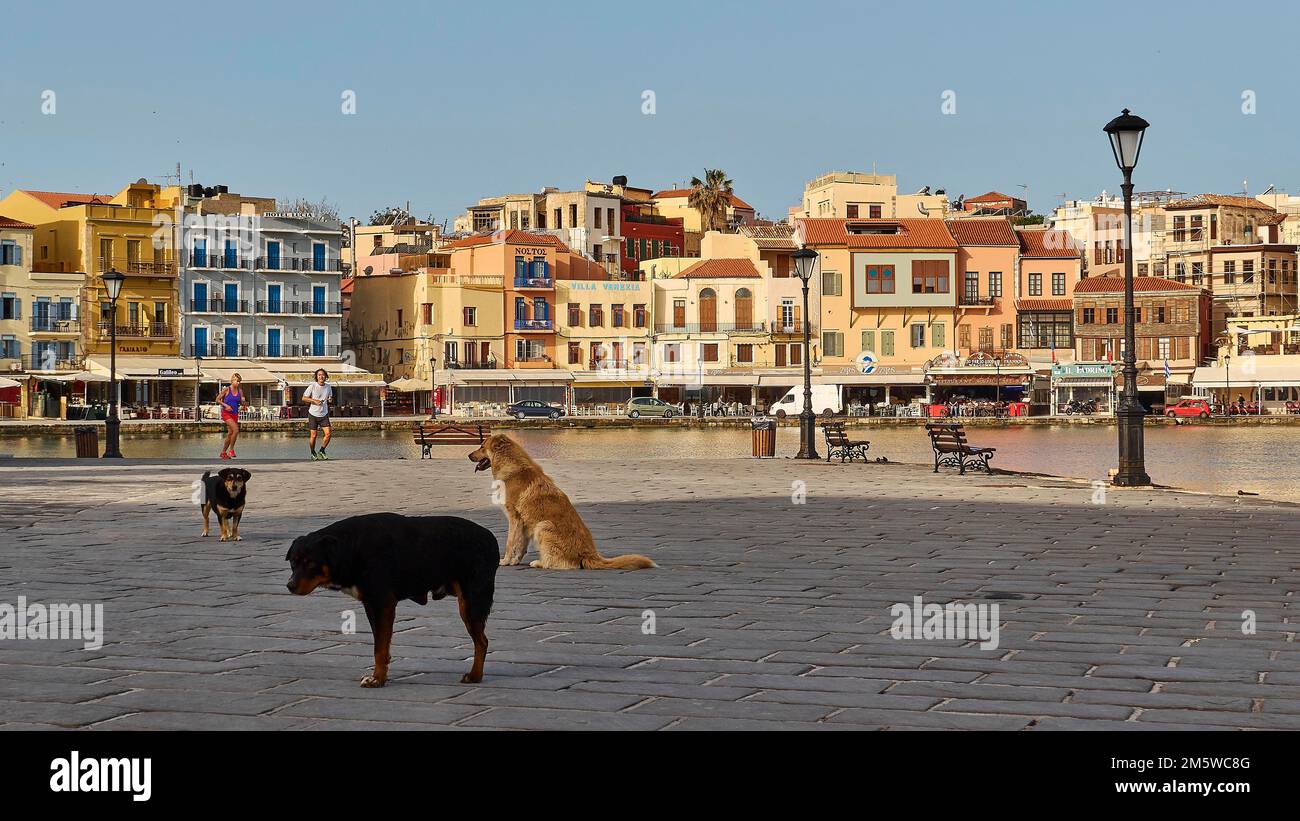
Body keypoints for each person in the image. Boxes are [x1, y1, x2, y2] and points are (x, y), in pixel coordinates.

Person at [303, 368, 334, 460]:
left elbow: (330, 397)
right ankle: (312, 452)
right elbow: (304, 398)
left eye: (323, 375)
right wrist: (314, 401)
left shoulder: (328, 387)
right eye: (319, 375)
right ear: (316, 377)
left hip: (324, 414)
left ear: (326, 376)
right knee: (313, 435)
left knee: (328, 434)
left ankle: (322, 450)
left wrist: (330, 399)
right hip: (313, 414)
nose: (321, 376)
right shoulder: (312, 386)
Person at [217, 373, 248, 459]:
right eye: (237, 381)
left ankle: (223, 452)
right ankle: (231, 450)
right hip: (226, 413)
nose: (238, 383)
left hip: (235, 413)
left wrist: (243, 401)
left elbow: (242, 403)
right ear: (232, 380)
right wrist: (225, 405)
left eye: (239, 381)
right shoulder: (226, 390)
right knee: (236, 430)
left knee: (230, 433)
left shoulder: (240, 391)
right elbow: (217, 399)